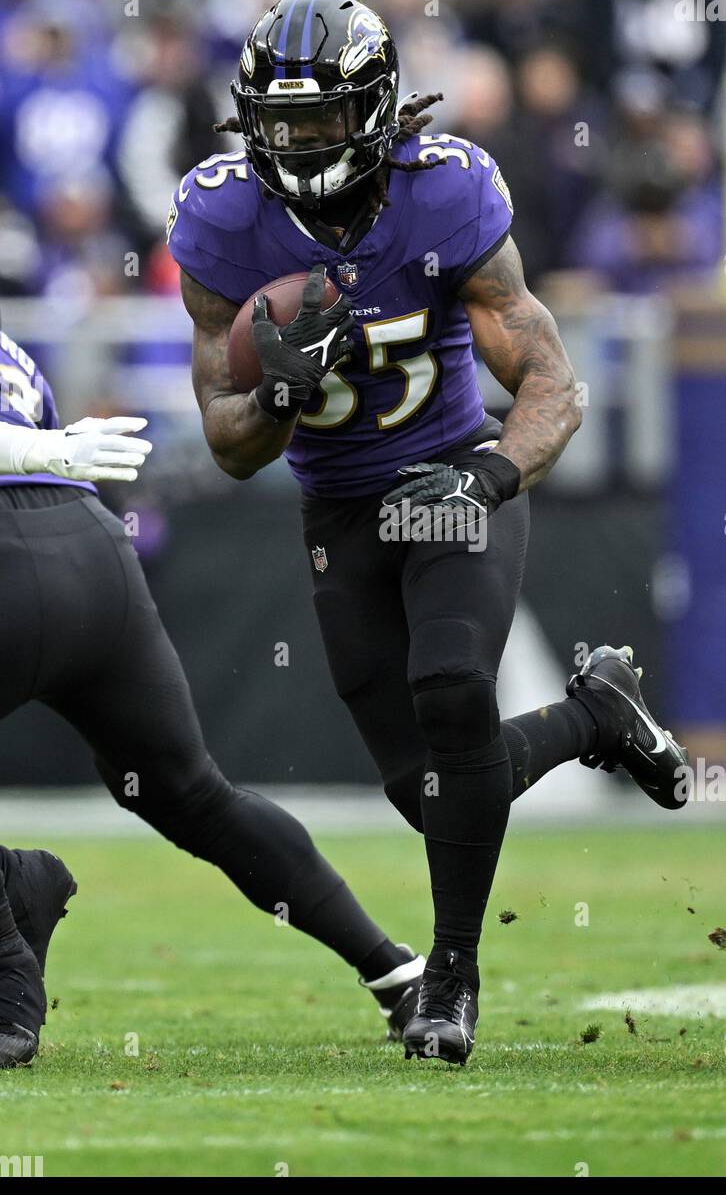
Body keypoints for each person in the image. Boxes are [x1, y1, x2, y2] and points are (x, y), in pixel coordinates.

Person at [169, 0, 688, 1065]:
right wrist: (278, 393)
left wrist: (491, 478)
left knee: (453, 691)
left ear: (377, 110)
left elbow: (550, 378)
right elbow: (227, 440)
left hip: (451, 467)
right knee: (426, 789)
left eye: (322, 122)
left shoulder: (444, 195)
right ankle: (597, 712)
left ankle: (451, 978)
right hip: (339, 500)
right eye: (284, 124)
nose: (303, 145)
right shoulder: (221, 217)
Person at [0, 327, 422, 1069]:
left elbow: (27, 450)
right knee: (193, 795)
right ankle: (395, 970)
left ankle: (9, 988)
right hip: (89, 549)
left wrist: (41, 451)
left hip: (16, 547)